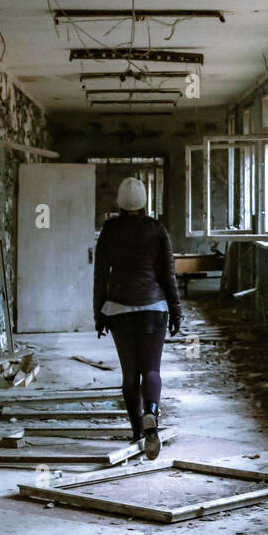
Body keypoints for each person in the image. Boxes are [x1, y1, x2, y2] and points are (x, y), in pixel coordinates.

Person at [92, 177, 181, 459]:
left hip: (119, 308)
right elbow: (168, 274)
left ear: (119, 201)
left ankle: (136, 432)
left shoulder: (109, 230)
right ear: (144, 202)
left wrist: (99, 313)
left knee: (130, 373)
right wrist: (176, 310)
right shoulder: (157, 229)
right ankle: (151, 413)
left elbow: (100, 275)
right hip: (154, 307)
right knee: (152, 370)